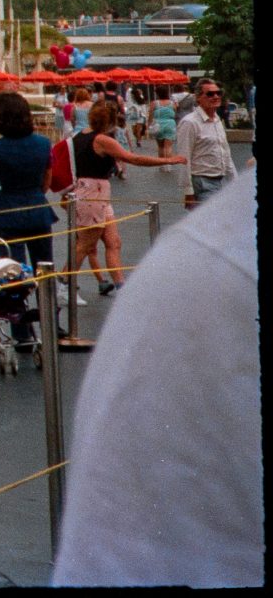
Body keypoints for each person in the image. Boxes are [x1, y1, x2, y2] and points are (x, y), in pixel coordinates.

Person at [51, 170, 262, 587]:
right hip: (97, 197)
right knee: (91, 244)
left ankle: (100, 280)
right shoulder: (210, 274)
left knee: (104, 243)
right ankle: (71, 282)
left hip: (101, 198)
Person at [69, 97, 183, 298]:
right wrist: (168, 160)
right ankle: (64, 282)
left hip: (97, 192)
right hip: (93, 193)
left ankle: (120, 284)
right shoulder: (102, 140)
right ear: (111, 120)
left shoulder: (80, 136)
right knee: (86, 244)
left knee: (114, 241)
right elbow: (132, 158)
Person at [0, 92, 55, 295]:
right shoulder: (44, 144)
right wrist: (36, 194)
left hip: (7, 208)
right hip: (38, 206)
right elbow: (47, 180)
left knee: (12, 271)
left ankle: (19, 321)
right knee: (44, 268)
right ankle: (50, 318)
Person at [176, 79, 238, 209]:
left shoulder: (217, 121)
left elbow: (226, 154)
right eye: (210, 94)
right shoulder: (190, 123)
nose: (215, 96)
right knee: (211, 224)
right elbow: (183, 158)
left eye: (218, 93)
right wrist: (188, 192)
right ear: (198, 98)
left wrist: (235, 182)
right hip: (203, 183)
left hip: (221, 181)